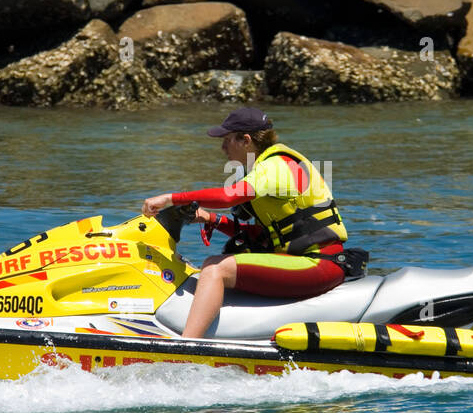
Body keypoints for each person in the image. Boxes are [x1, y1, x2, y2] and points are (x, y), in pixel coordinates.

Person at [142, 108, 351, 339]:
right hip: (305, 260)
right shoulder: (265, 167)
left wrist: (171, 198)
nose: (222, 148)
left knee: (214, 268)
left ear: (246, 140)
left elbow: (228, 196)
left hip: (317, 264)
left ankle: (187, 348)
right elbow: (265, 236)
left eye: (227, 140)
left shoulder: (276, 166)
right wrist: (212, 218)